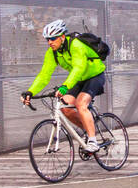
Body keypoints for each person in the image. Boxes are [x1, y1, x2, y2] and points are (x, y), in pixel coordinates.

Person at [20, 19, 106, 153]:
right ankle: (88, 130)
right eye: (47, 39)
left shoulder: (76, 45)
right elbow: (44, 75)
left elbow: (79, 68)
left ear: (62, 37)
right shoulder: (52, 53)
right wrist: (31, 91)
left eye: (53, 39)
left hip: (94, 75)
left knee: (81, 104)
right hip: (79, 79)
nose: (50, 42)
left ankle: (93, 141)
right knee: (65, 106)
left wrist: (65, 86)